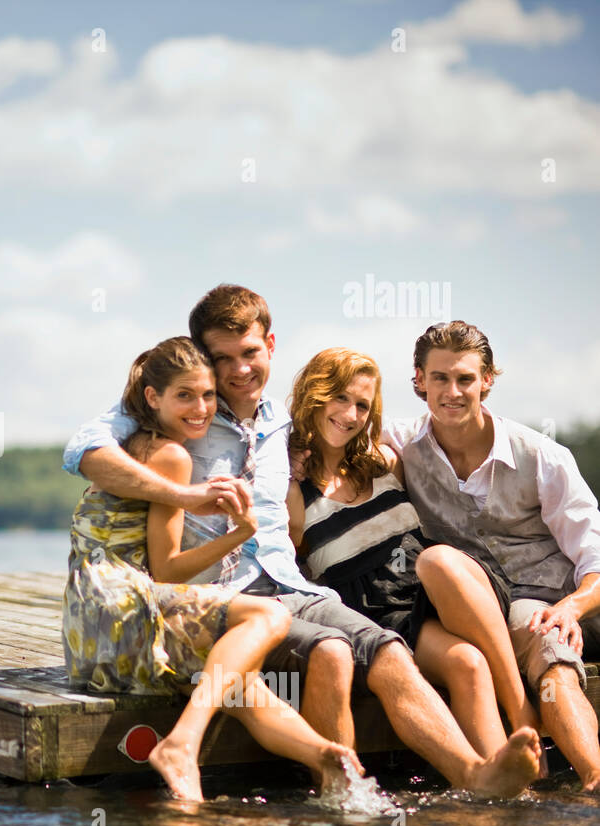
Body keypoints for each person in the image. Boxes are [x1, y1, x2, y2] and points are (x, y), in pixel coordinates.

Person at [63, 284, 541, 798]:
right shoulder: (187, 416)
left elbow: (348, 423)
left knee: (389, 653)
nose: (239, 370)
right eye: (222, 358)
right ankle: (343, 797)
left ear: (270, 344)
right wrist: (188, 494)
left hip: (291, 586)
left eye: (249, 353)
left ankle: (474, 773)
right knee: (332, 655)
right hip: (223, 599)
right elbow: (82, 449)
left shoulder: (283, 427)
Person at [63, 336, 364, 801]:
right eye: (185, 395)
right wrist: (240, 534)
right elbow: (168, 571)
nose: (202, 408)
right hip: (122, 608)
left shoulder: (140, 446)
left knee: (237, 683)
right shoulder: (171, 455)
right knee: (268, 617)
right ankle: (183, 743)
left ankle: (327, 759)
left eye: (207, 395)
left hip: (91, 628)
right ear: (152, 398)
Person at [285, 347, 540, 763]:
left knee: (439, 563)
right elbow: (292, 568)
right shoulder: (293, 491)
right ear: (315, 395)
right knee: (468, 665)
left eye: (362, 405)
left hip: (441, 588)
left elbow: (436, 435)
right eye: (340, 397)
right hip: (382, 613)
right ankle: (501, 786)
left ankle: (519, 719)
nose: (350, 415)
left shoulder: (384, 461)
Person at [381, 320, 600, 791]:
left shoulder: (542, 456)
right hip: (474, 604)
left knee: (550, 651)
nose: (452, 392)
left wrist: (570, 608)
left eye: (465, 378)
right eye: (440, 378)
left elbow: (595, 559)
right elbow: (329, 434)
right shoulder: (401, 443)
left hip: (549, 599)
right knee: (436, 561)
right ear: (419, 380)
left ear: (487, 380)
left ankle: (592, 787)